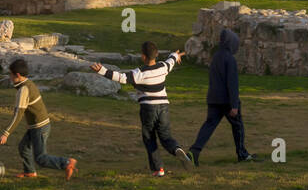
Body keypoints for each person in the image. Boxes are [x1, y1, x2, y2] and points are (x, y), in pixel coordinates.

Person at [92, 42, 194, 175]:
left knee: (149, 138)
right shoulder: (163, 67)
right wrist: (175, 54)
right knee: (165, 135)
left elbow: (122, 78)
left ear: (143, 57)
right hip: (164, 107)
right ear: (156, 55)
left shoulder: (139, 73)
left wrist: (102, 71)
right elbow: (171, 61)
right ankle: (176, 149)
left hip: (148, 108)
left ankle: (158, 169)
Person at [0, 58, 77, 179]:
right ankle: (30, 172)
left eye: (10, 74)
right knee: (24, 148)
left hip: (40, 127)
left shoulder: (24, 90)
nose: (9, 77)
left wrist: (6, 133)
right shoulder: (28, 83)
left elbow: (18, 115)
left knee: (40, 158)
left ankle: (67, 163)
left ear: (18, 75)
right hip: (36, 126)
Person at [188, 29, 254, 165]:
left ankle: (194, 152)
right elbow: (232, 84)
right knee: (238, 126)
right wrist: (234, 105)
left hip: (213, 98)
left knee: (209, 125)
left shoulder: (216, 56)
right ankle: (242, 154)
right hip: (226, 100)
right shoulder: (230, 59)